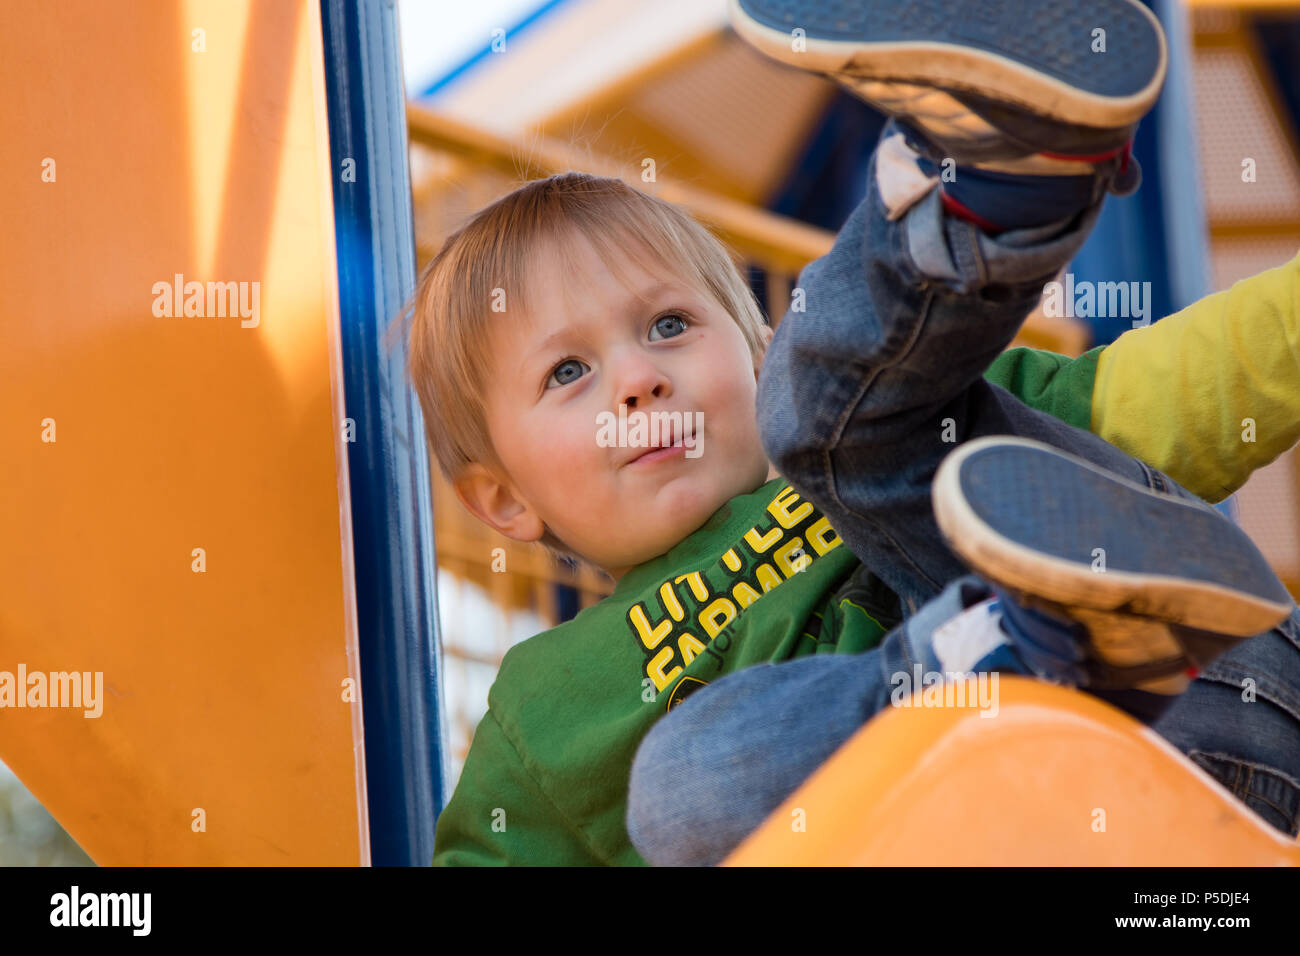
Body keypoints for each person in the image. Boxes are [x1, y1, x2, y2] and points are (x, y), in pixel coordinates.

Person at [411, 0, 1300, 865]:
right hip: (1004, 815)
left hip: (1204, 700)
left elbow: (1174, 393)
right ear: (503, 498)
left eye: (670, 326)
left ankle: (987, 178)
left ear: (751, 351)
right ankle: (989, 652)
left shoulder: (891, 434)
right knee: (684, 782)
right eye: (568, 374)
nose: (640, 379)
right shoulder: (548, 711)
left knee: (823, 417)